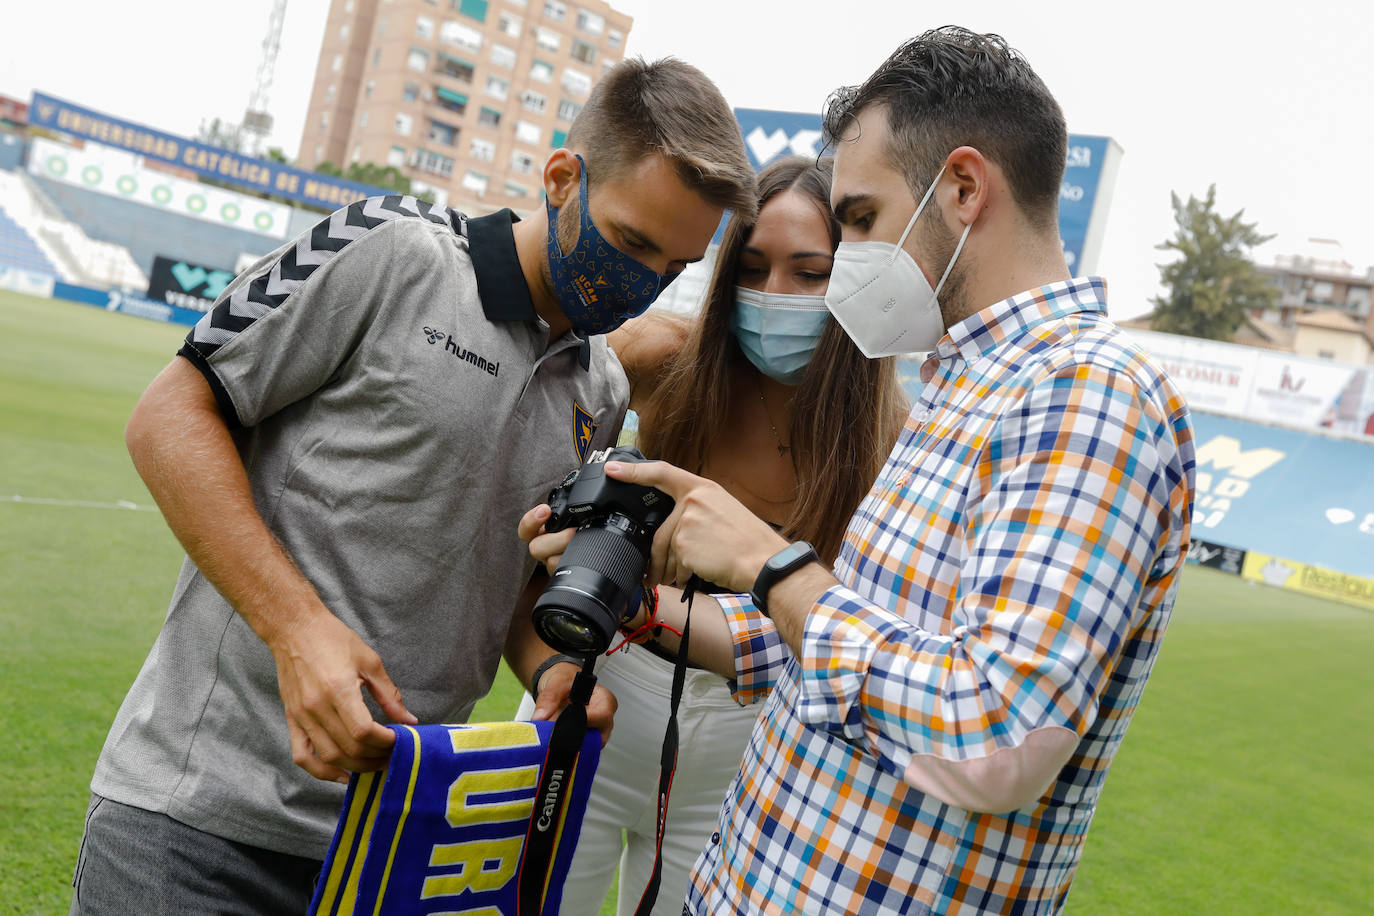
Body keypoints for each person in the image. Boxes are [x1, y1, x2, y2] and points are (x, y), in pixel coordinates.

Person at [523, 28, 1197, 915]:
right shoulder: (968, 383)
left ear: (963, 188)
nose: (848, 265)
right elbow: (837, 640)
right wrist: (642, 598)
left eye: (863, 220)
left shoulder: (1086, 391)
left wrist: (766, 564)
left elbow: (992, 733)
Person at [69, 58, 757, 916]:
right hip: (200, 819)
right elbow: (168, 417)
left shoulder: (602, 388)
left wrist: (549, 670)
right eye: (631, 243)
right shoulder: (392, 250)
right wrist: (297, 629)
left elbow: (511, 578)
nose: (643, 282)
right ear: (560, 179)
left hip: (390, 845)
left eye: (673, 266)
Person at [515, 155, 909, 915]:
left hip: (750, 740)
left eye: (809, 273)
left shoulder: (888, 440)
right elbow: (535, 413)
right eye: (751, 269)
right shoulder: (664, 358)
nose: (774, 294)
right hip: (602, 689)